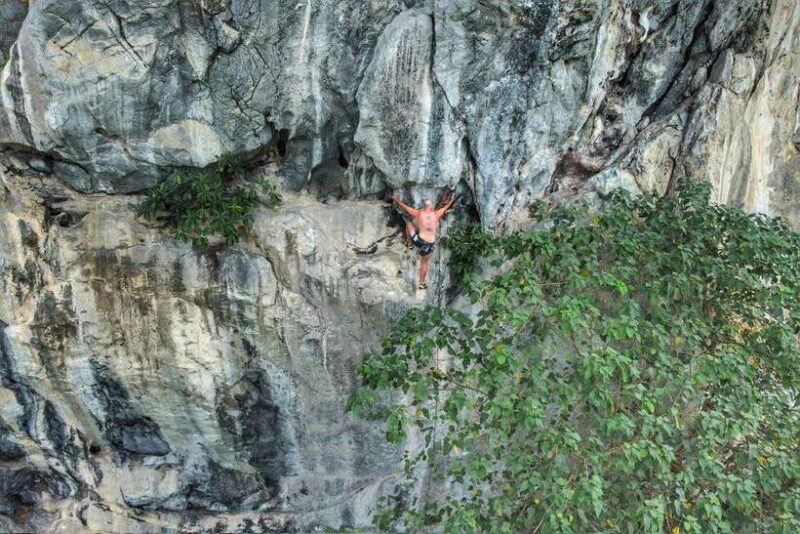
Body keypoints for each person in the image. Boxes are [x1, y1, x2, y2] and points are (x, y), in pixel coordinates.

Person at [392, 192, 457, 290]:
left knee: (409, 224)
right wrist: (452, 200)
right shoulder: (436, 214)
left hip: (419, 241)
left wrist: (397, 200)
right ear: (431, 207)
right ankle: (422, 284)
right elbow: (446, 207)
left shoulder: (419, 213)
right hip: (429, 244)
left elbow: (405, 207)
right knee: (424, 263)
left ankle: (409, 244)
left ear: (424, 207)